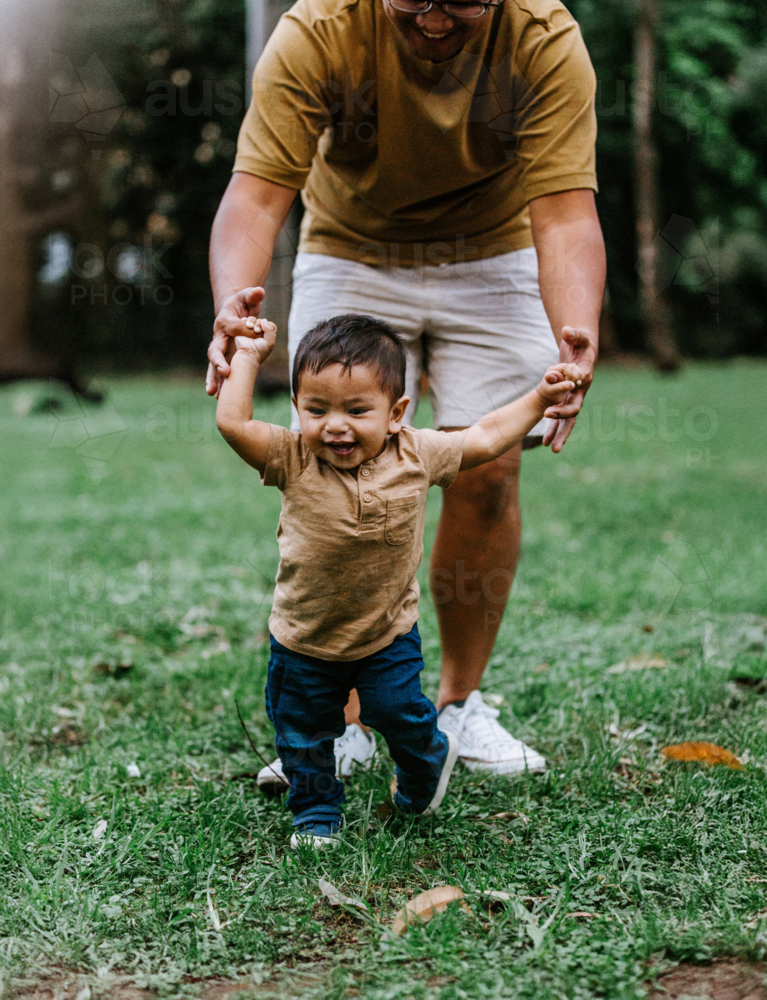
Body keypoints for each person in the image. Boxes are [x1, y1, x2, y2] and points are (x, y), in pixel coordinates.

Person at [206, 0, 606, 784]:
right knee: (335, 468)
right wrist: (233, 300)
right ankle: (342, 720)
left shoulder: (542, 36)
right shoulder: (319, 29)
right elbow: (257, 194)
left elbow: (562, 214)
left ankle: (457, 704)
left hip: (492, 252)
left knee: (488, 471)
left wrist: (574, 328)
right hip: (352, 249)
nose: (431, 16)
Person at [215, 312, 584, 846]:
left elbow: (483, 437)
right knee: (304, 732)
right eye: (316, 410)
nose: (335, 425)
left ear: (396, 413)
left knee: (399, 712)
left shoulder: (418, 452)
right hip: (302, 638)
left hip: (385, 635)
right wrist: (248, 356)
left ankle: (426, 762)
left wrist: (539, 400)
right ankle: (316, 814)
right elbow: (233, 424)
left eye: (357, 410)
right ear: (297, 410)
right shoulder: (292, 458)